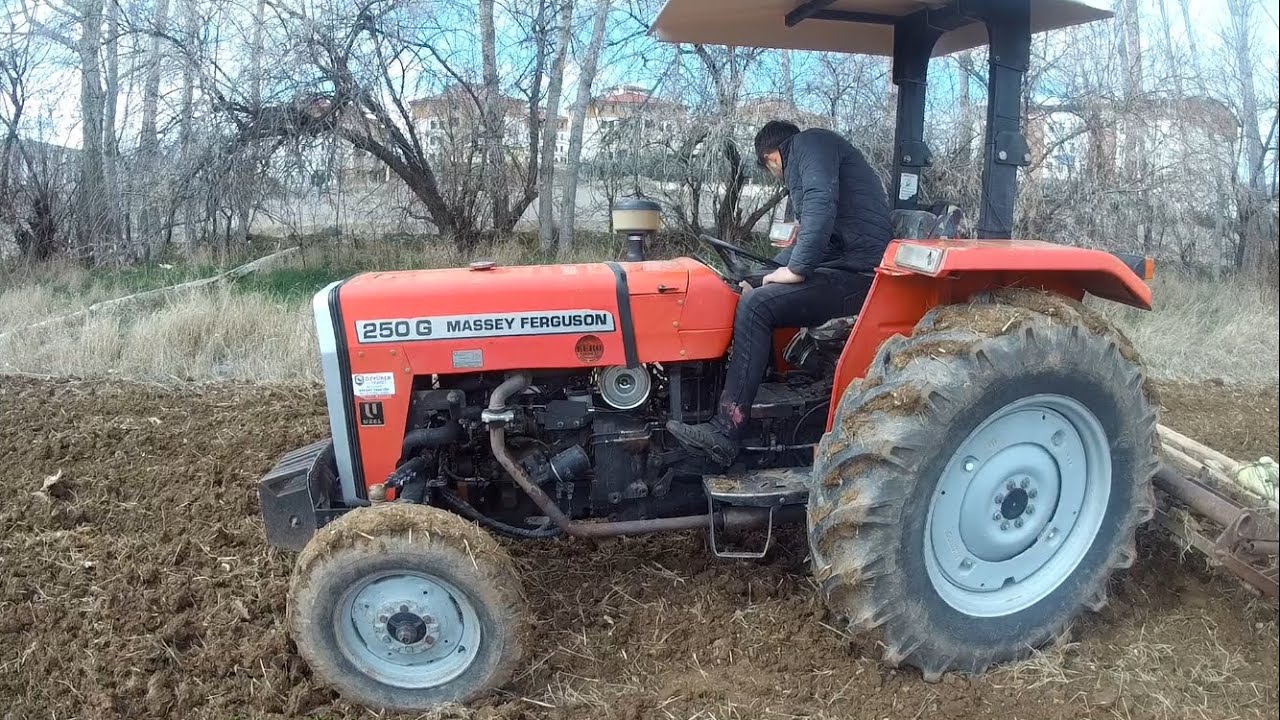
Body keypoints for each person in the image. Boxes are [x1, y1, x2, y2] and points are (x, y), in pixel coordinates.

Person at [666, 120, 892, 464]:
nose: (780, 178)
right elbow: (816, 237)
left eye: (773, 172)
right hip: (844, 264)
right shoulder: (815, 153)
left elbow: (819, 205)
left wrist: (796, 270)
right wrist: (760, 277)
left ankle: (726, 432)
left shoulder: (810, 144)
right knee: (754, 294)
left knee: (757, 306)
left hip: (859, 274)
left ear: (771, 158)